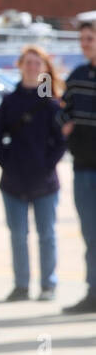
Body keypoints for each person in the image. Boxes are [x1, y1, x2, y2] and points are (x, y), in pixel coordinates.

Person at [0, 46, 68, 302]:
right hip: (13, 181)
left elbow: (60, 141)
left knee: (47, 234)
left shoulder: (49, 104)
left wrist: (47, 164)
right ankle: (21, 285)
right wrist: (6, 161)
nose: (32, 67)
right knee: (18, 235)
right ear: (21, 65)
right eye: (28, 63)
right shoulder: (10, 101)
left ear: (44, 69)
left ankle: (48, 284)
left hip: (44, 181)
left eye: (38, 63)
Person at [60, 17, 96, 314]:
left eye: (90, 39)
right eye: (82, 39)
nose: (85, 44)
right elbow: (62, 111)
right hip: (84, 168)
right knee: (91, 235)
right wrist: (66, 125)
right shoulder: (77, 76)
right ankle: (94, 293)